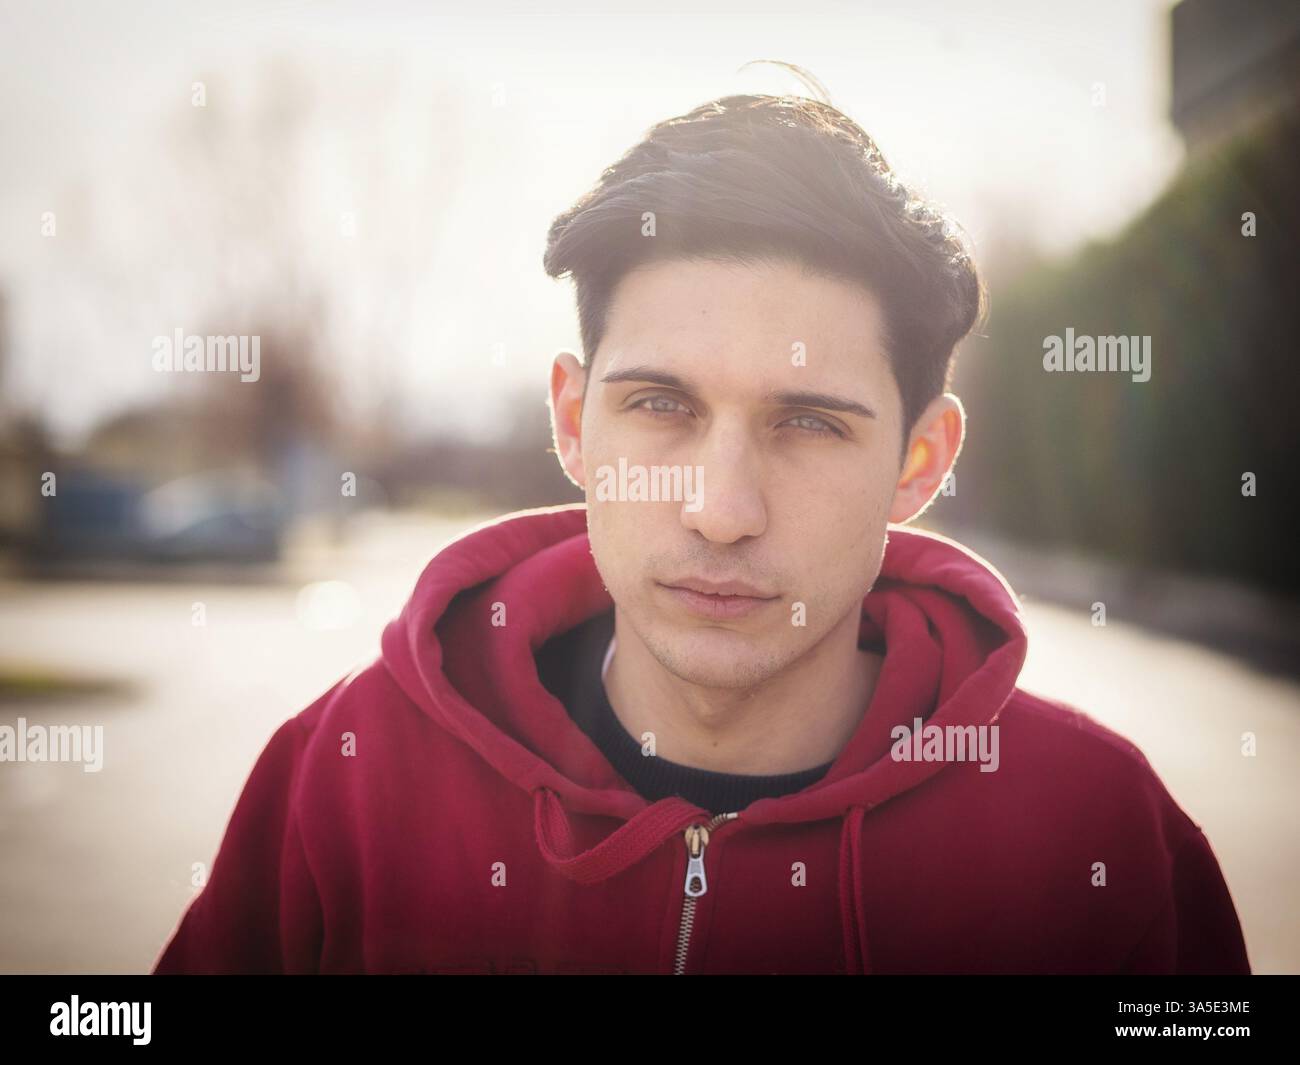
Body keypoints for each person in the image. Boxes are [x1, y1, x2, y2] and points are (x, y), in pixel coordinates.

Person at [152, 92, 1250, 975]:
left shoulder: (1096, 835)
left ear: (919, 463)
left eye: (809, 425)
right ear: (574, 424)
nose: (720, 511)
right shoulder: (343, 777)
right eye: (661, 406)